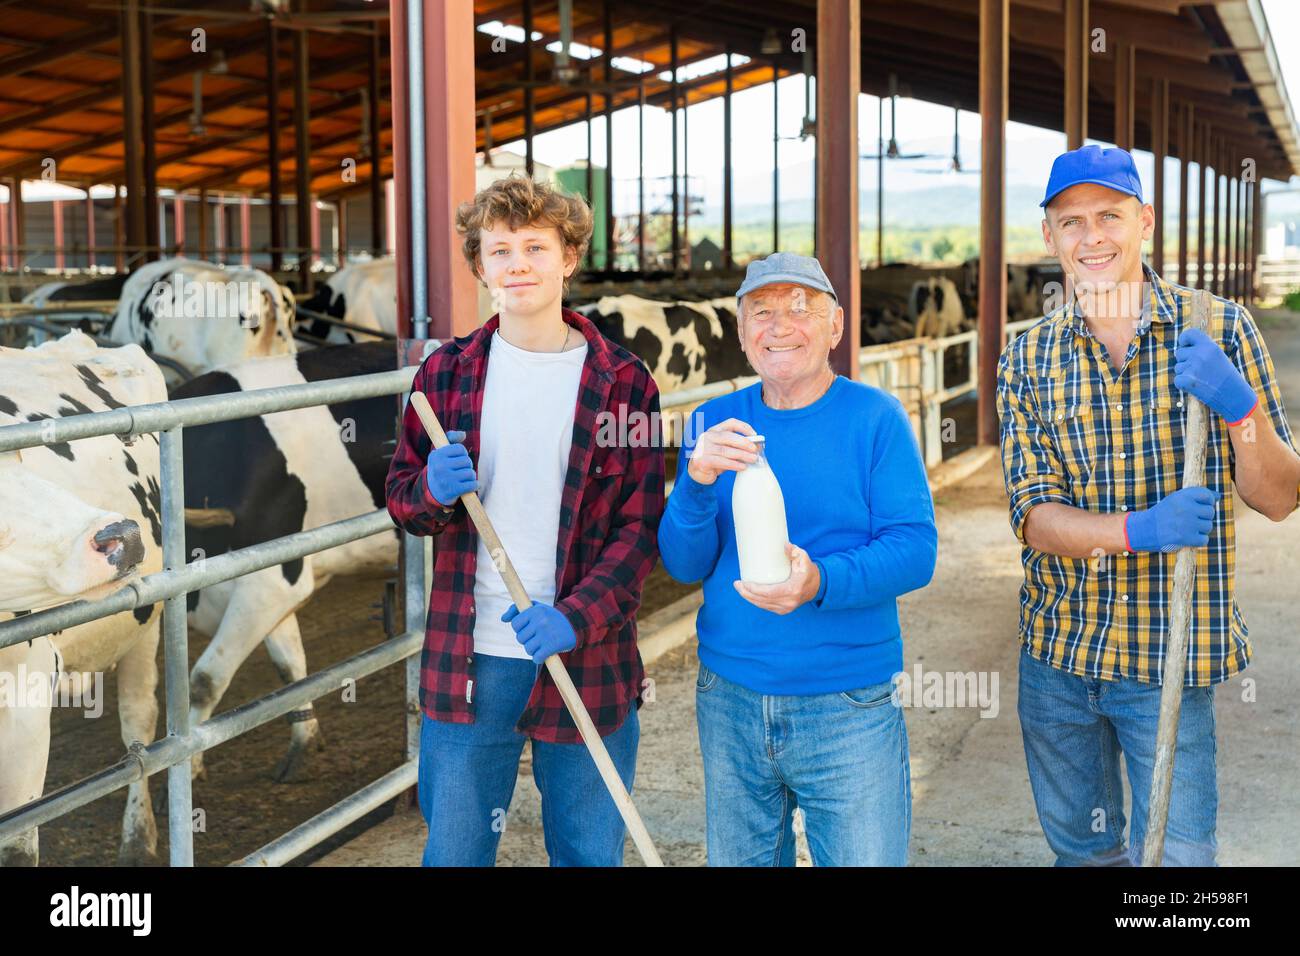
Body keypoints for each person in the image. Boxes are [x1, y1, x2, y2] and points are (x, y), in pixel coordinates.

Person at [996, 144, 1300, 866]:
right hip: (1058, 656)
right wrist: (1139, 530)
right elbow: (1033, 516)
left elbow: (1282, 498)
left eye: (1109, 215)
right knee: (1084, 853)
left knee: (1182, 863)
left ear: (1145, 222)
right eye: (1071, 222)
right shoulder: (1029, 356)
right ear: (1049, 236)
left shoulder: (1220, 329)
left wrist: (1239, 410)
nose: (1091, 237)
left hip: (1166, 651)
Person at [385, 174, 664, 867]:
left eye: (535, 247)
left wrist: (576, 614)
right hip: (472, 659)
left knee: (589, 855)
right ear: (480, 266)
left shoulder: (624, 382)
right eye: (499, 250)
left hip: (587, 654)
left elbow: (638, 530)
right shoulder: (445, 376)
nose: (517, 266)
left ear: (569, 258)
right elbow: (400, 500)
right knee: (455, 854)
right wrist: (430, 489)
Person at [658, 252, 937, 866]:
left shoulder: (875, 419)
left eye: (800, 308)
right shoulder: (714, 423)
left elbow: (915, 551)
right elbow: (683, 564)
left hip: (848, 703)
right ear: (740, 331)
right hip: (729, 695)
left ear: (835, 327)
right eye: (761, 311)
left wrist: (820, 581)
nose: (779, 325)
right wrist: (696, 481)